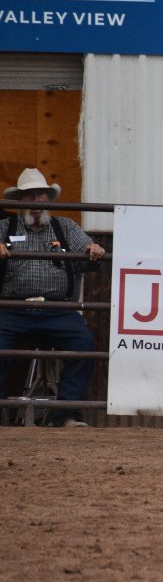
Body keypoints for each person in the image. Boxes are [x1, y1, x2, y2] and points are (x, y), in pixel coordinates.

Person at [0, 168, 106, 427]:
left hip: (58, 310)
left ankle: (66, 414)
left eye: (42, 195)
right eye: (30, 196)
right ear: (18, 201)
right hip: (13, 310)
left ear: (49, 199)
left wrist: (93, 249)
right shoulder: (3, 227)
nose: (37, 202)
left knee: (84, 346)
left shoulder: (65, 226)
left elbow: (88, 248)